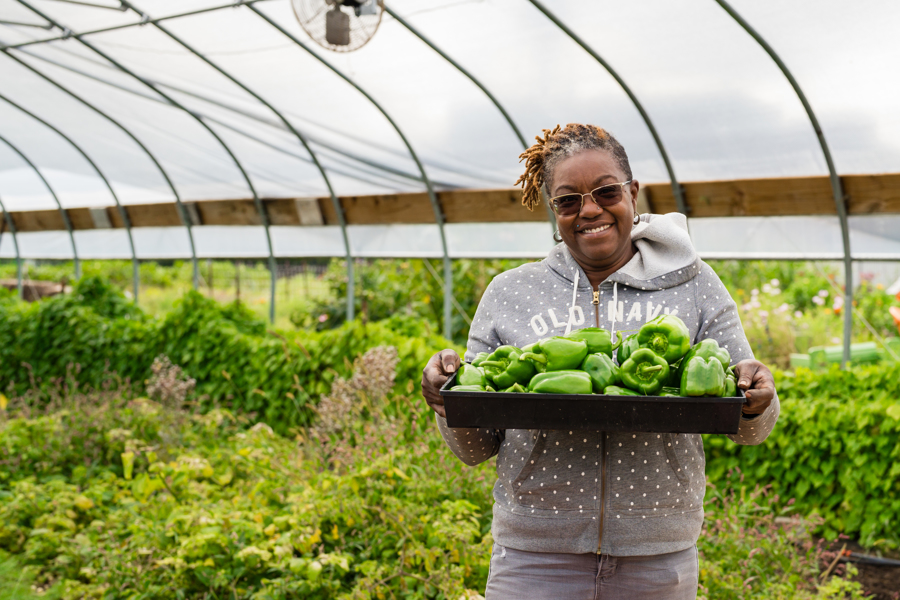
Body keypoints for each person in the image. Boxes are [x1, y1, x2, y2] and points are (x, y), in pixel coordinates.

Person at [421, 124, 779, 600]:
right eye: (568, 200)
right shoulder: (510, 293)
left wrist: (757, 400)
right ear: (554, 213)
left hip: (657, 556)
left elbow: (750, 428)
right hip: (535, 557)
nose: (590, 210)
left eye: (606, 192)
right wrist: (447, 401)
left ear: (632, 194)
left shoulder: (694, 283)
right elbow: (474, 448)